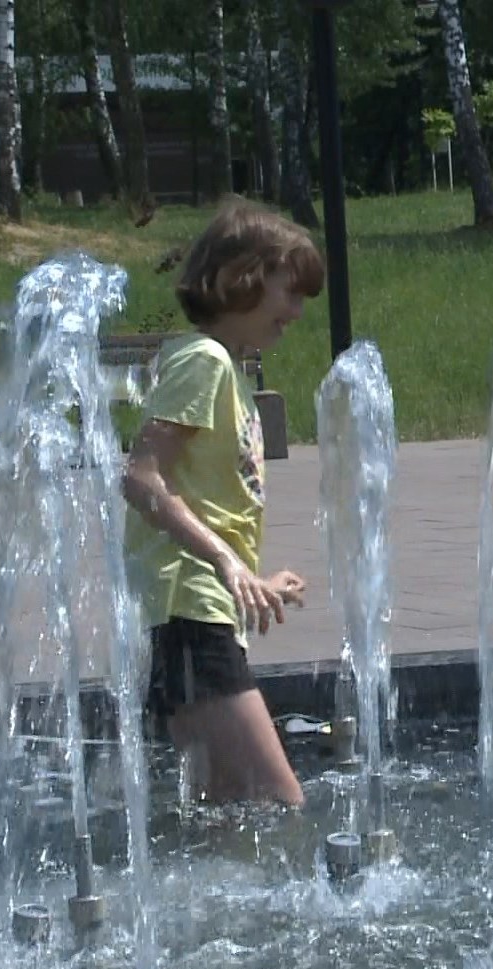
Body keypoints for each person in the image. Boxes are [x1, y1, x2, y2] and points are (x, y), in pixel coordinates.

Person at [122, 198, 325, 807]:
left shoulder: (226, 369)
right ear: (243, 279)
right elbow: (139, 478)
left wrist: (251, 578)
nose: (297, 310)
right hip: (191, 614)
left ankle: (199, 906)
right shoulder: (205, 361)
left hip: (195, 612)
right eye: (290, 292)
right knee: (278, 804)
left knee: (227, 811)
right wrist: (227, 564)